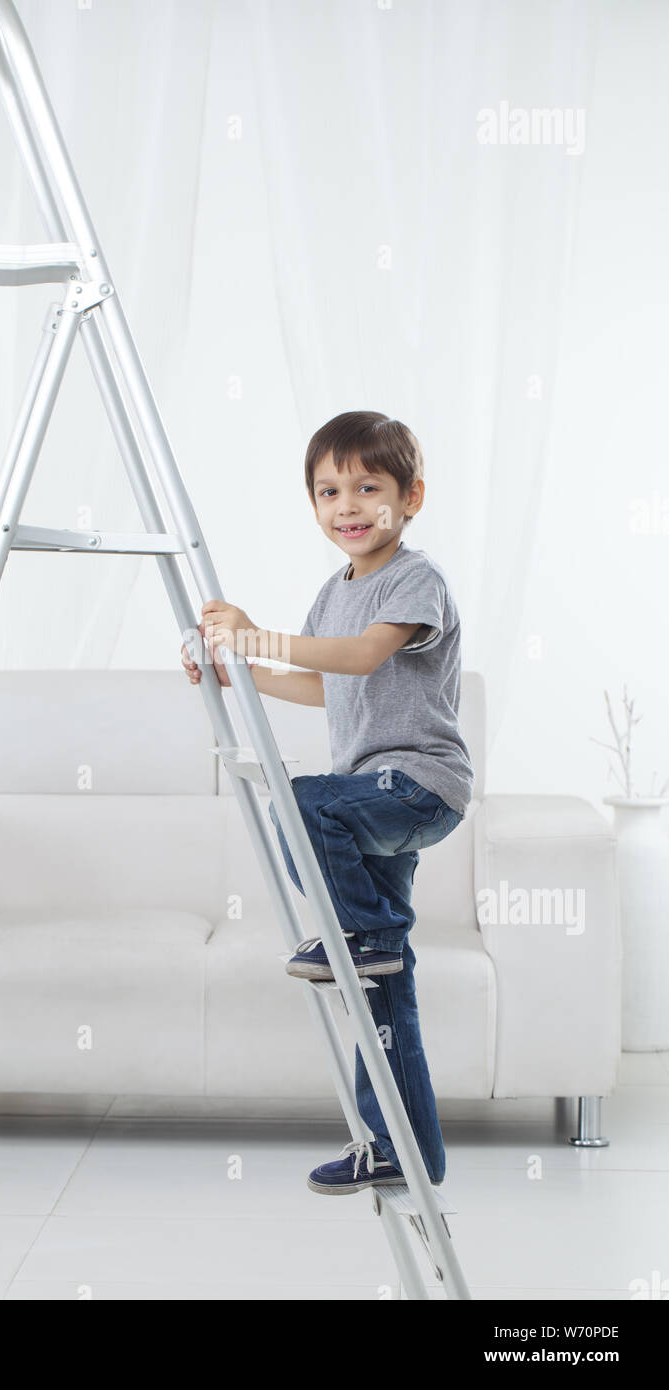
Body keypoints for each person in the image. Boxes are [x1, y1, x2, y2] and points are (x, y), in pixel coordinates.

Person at [180, 409, 473, 1194]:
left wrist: (254, 635)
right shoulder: (331, 590)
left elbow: (363, 653)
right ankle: (401, 1150)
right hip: (371, 797)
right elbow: (324, 682)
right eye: (327, 490)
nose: (346, 505)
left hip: (417, 786)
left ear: (410, 498)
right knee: (379, 988)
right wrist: (232, 670)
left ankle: (361, 930)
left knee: (303, 801)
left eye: (367, 488)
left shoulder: (415, 579)